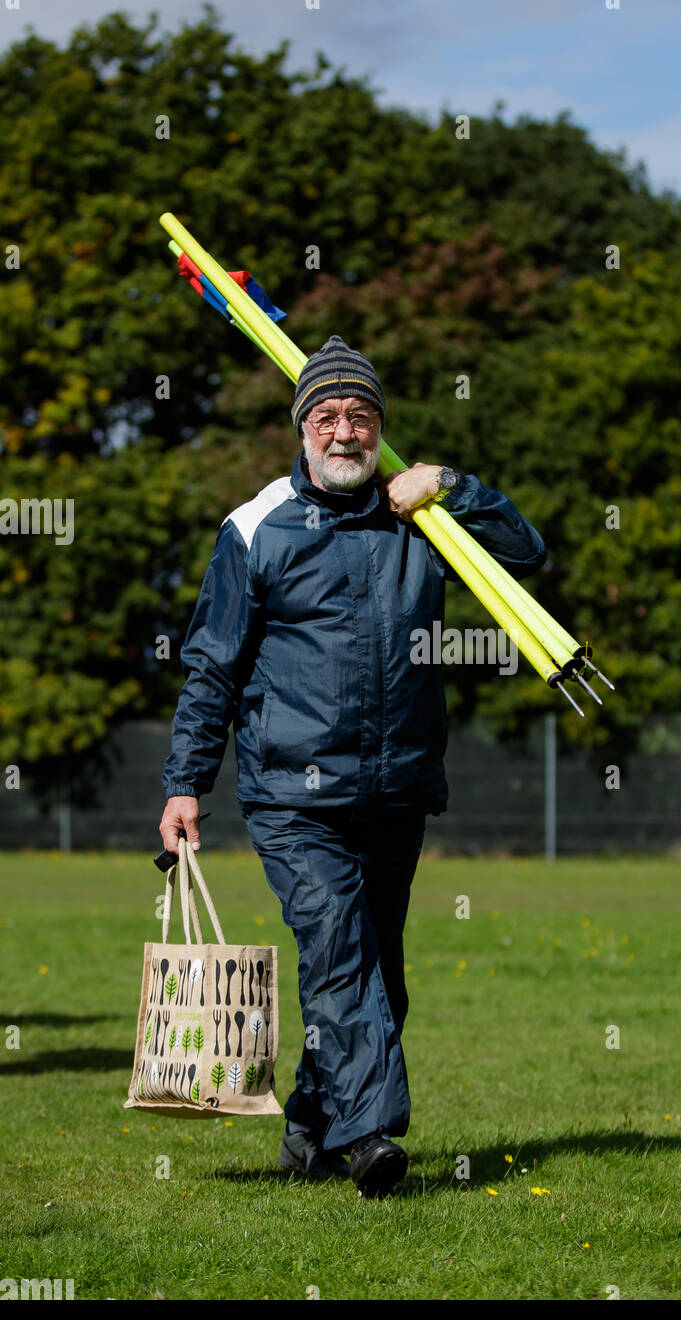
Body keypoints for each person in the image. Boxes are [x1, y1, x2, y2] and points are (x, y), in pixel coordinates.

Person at [158, 334, 546, 1195]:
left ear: (381, 431)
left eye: (360, 417)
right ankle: (370, 1139)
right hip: (291, 794)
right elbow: (212, 662)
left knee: (379, 978)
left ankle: (308, 1126)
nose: (344, 433)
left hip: (397, 787)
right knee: (338, 950)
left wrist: (453, 486)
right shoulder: (255, 528)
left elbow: (527, 558)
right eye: (326, 417)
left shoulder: (423, 517)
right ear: (301, 431)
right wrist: (184, 782)